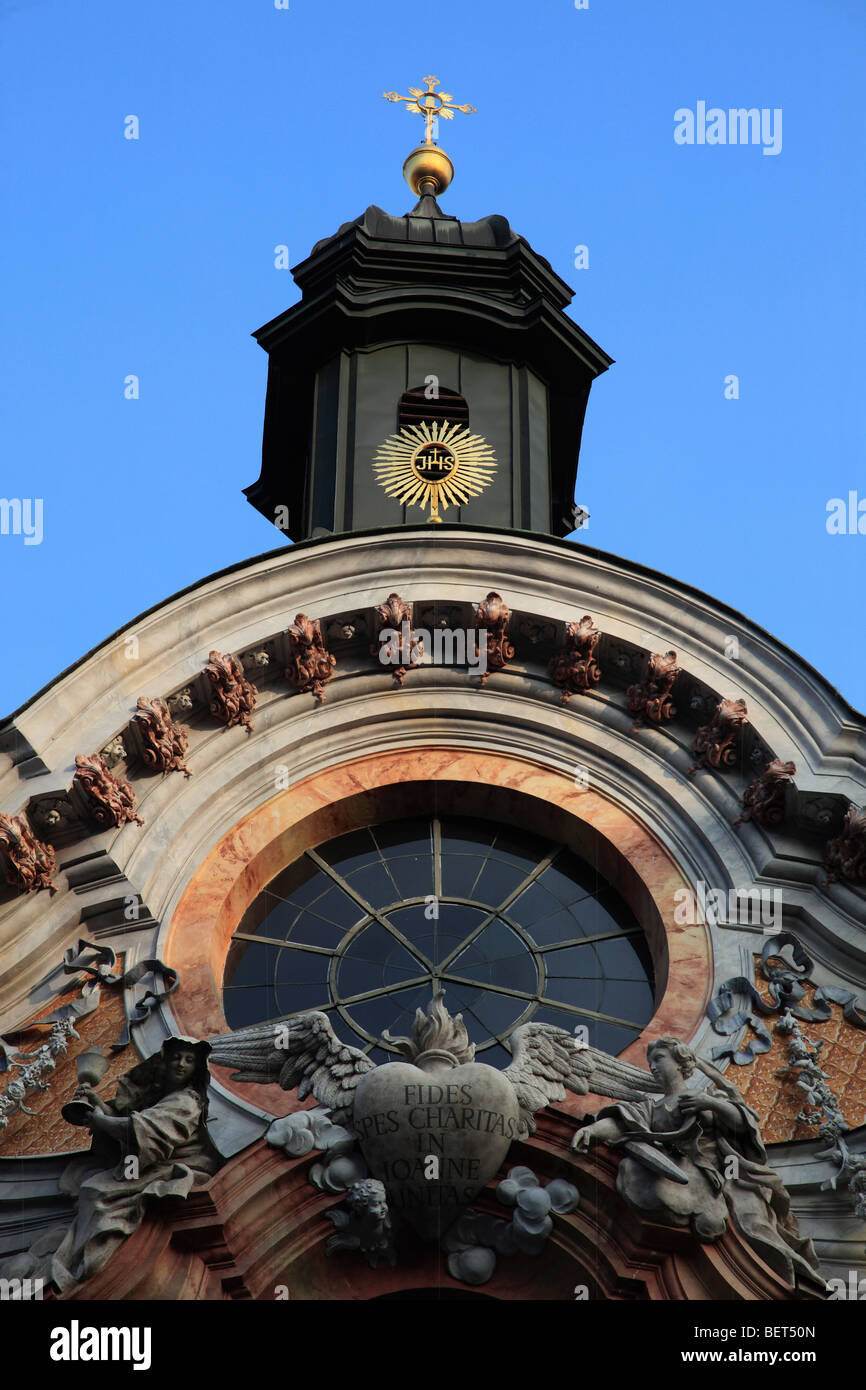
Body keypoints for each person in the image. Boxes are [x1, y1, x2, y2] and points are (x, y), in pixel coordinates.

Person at [572, 1036, 823, 1292]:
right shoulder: (652, 1108)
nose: (653, 1067)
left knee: (754, 1226)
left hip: (725, 1181)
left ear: (681, 1063)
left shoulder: (705, 1097)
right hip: (685, 1176)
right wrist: (593, 1130)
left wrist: (711, 1103)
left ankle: (799, 1283)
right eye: (650, 1063)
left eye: (659, 1059)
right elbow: (624, 1121)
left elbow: (743, 1123)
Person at [0, 1036, 220, 1293]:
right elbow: (134, 1128)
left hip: (172, 1168)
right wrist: (98, 1103)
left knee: (97, 1192)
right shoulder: (168, 1097)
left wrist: (101, 1121)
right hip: (146, 1166)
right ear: (165, 1062)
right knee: (90, 1183)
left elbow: (143, 1129)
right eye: (176, 1058)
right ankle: (69, 1259)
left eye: (189, 1060)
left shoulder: (187, 1100)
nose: (181, 1064)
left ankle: (75, 1263)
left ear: (197, 1068)